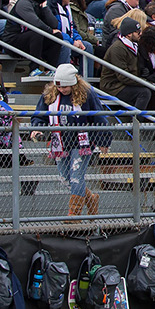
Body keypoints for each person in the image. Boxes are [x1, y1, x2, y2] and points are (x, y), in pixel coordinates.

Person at [29, 63, 109, 216]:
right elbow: (40, 114)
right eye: (59, 87)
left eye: (65, 87)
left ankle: (75, 214)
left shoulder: (87, 93)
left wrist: (103, 139)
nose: (62, 90)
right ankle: (91, 198)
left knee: (76, 176)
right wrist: (37, 127)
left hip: (82, 141)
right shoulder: (49, 94)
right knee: (65, 178)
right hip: (61, 142)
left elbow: (99, 117)